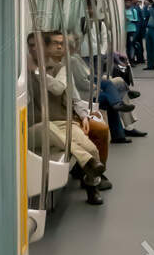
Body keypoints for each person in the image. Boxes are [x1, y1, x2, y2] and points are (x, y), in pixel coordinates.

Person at [27, 31, 110, 204]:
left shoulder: (60, 69)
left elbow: (58, 89)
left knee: (92, 149)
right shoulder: (21, 73)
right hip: (37, 126)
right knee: (47, 128)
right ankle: (86, 163)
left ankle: (91, 185)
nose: (36, 49)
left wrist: (37, 72)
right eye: (32, 46)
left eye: (40, 45)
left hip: (62, 122)